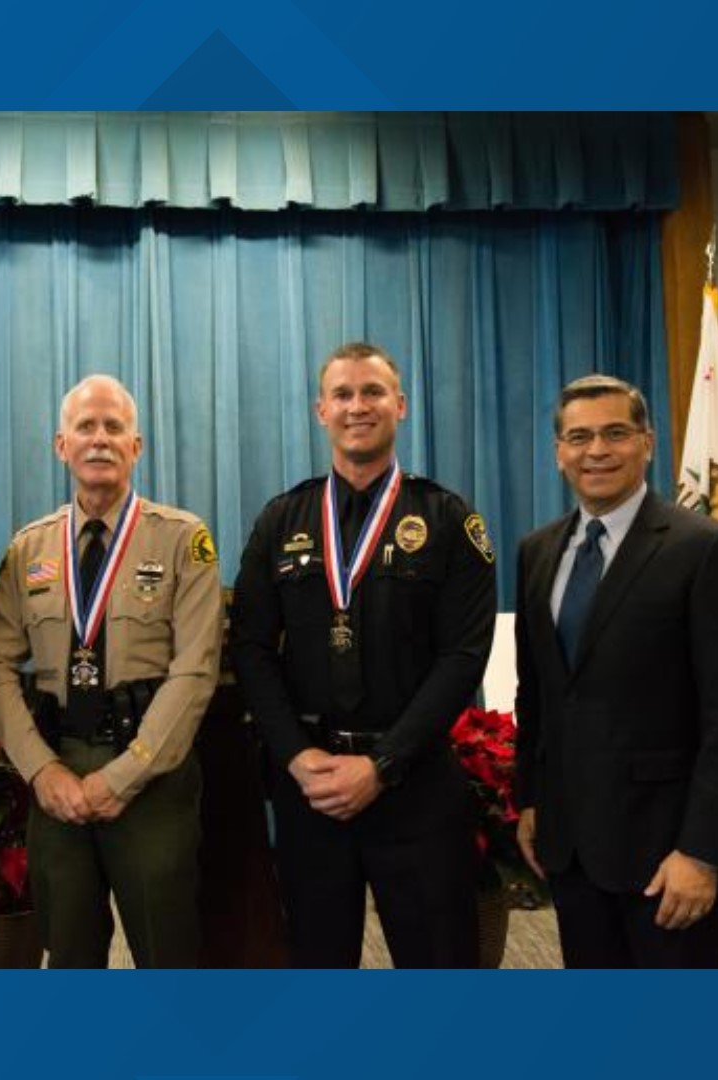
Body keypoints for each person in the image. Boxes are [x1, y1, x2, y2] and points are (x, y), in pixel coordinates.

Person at [230, 342, 496, 967]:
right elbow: (250, 647)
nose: (358, 406)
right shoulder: (282, 519)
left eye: (372, 393)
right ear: (320, 410)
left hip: (414, 785)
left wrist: (382, 764)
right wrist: (295, 756)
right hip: (312, 790)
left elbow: (463, 656)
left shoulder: (447, 518)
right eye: (343, 395)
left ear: (400, 406)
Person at [512, 374, 718, 968]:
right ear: (558, 453)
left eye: (615, 433)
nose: (596, 450)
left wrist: (701, 852)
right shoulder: (538, 551)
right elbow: (541, 695)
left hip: (668, 852)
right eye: (578, 437)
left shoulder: (708, 548)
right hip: (572, 846)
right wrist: (531, 798)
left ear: (647, 442)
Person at [0, 375, 222, 967]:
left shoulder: (184, 540)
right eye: (85, 426)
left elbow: (194, 672)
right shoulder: (28, 550)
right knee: (69, 956)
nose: (100, 439)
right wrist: (40, 772)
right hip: (56, 777)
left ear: (137, 446)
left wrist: (125, 775)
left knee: (169, 955)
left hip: (150, 779)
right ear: (61, 445)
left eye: (115, 427)